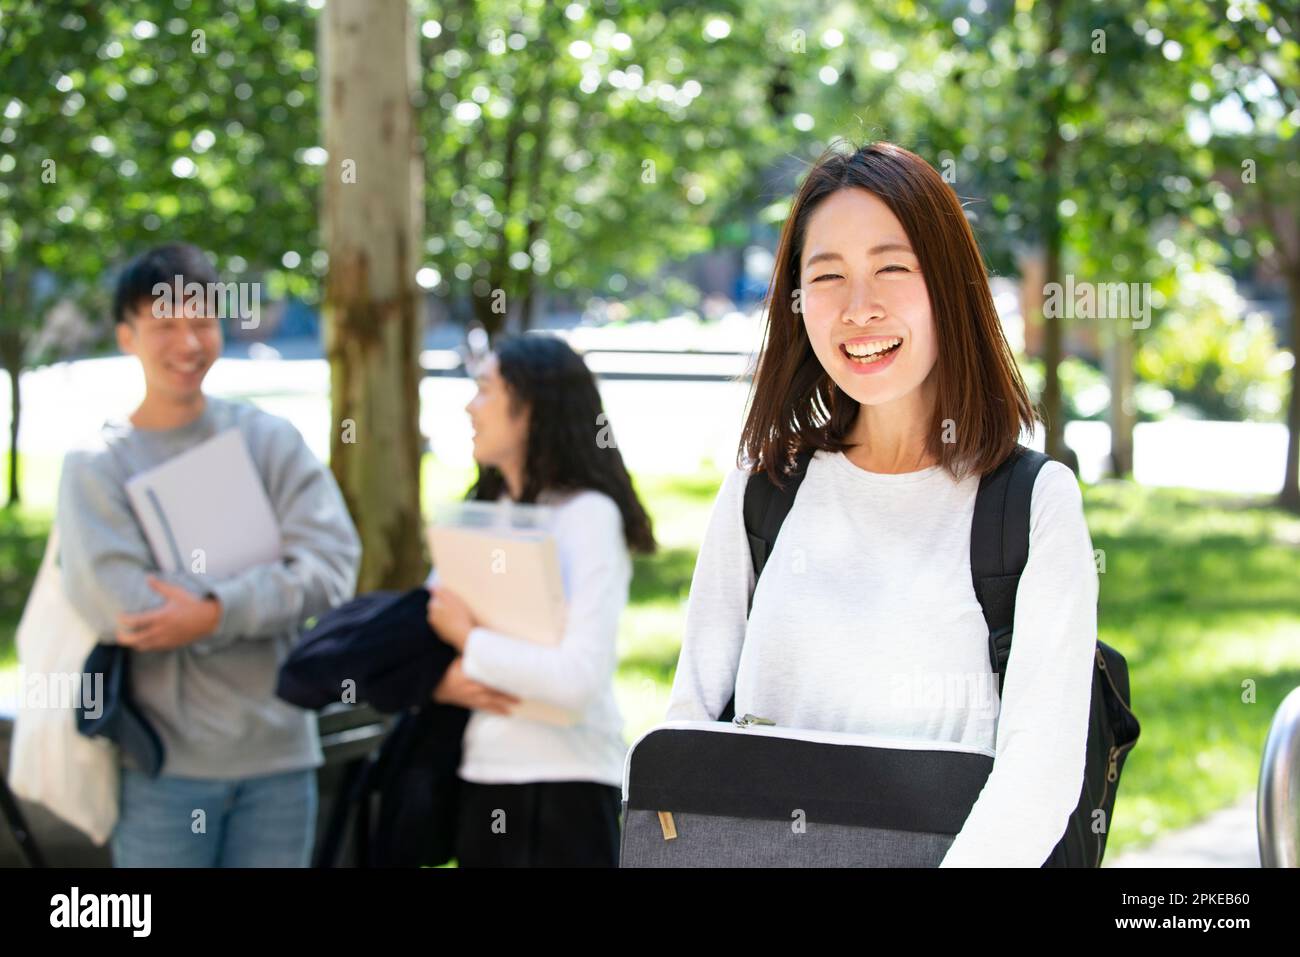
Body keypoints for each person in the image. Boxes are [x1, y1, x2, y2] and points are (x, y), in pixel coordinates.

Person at [664, 142, 1100, 867]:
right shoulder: (763, 488)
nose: (858, 307)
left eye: (891, 268)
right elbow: (688, 730)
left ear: (950, 285)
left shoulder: (1030, 504)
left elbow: (1040, 774)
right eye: (826, 274)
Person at [56, 243, 362, 867]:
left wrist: (218, 608)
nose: (188, 343)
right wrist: (268, 586)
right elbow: (128, 609)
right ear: (126, 336)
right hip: (165, 767)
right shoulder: (97, 464)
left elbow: (331, 568)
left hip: (280, 758)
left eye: (202, 322)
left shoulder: (269, 440)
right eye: (164, 326)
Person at [425, 332, 656, 867]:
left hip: (564, 792)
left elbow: (575, 681)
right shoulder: (485, 509)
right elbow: (430, 632)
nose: (469, 406)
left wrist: (469, 641)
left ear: (532, 406)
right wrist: (444, 683)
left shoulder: (588, 516)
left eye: (485, 389)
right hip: (482, 780)